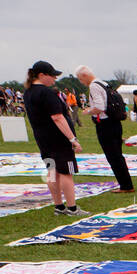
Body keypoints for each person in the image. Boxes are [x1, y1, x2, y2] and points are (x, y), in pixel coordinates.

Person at [23, 61, 83, 215]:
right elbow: (57, 117)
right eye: (52, 76)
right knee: (65, 173)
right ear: (42, 75)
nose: (54, 80)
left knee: (51, 172)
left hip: (43, 140)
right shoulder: (46, 93)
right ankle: (72, 208)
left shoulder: (28, 92)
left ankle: (59, 206)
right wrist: (72, 139)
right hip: (58, 140)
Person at [76, 66, 134, 194]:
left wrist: (88, 111)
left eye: (80, 79)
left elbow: (100, 106)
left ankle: (126, 186)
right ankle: (126, 183)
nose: (81, 82)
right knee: (117, 155)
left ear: (84, 76)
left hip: (106, 124)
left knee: (113, 156)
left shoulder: (93, 86)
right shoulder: (103, 83)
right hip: (115, 122)